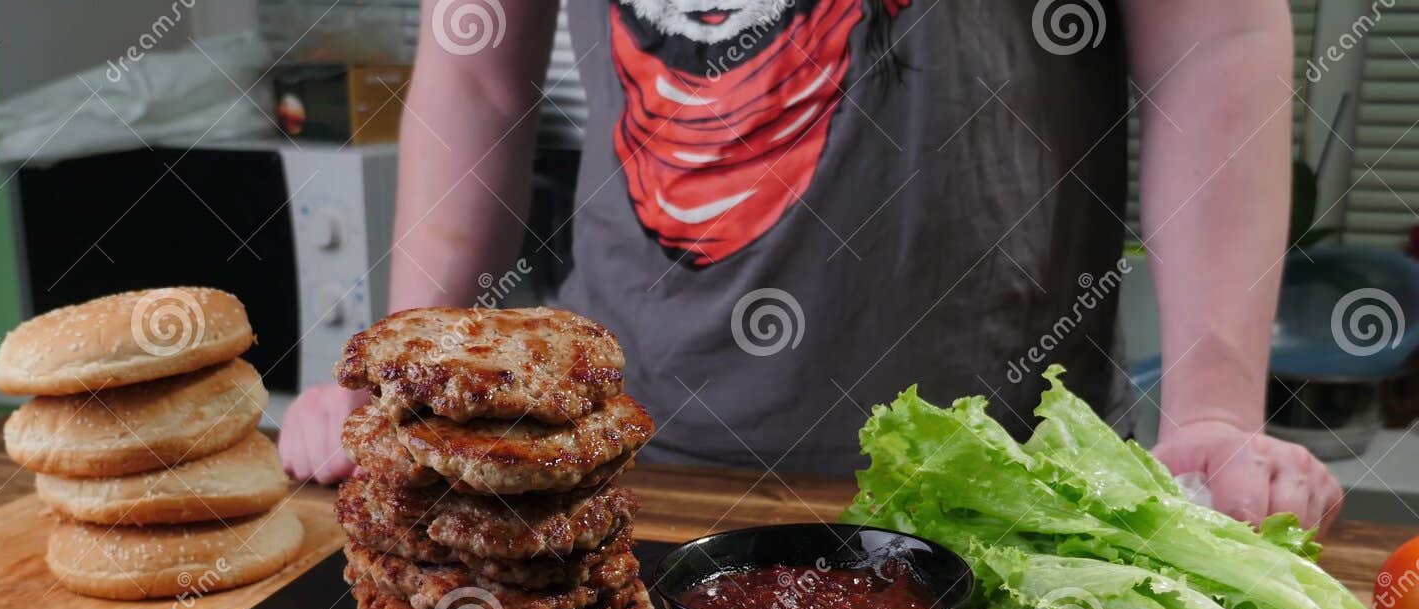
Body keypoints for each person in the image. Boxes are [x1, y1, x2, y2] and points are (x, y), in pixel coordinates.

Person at [280, 0, 1343, 530]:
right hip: (610, 479)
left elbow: (1214, 38)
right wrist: (403, 371)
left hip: (1014, 486)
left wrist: (1209, 408)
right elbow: (478, 75)